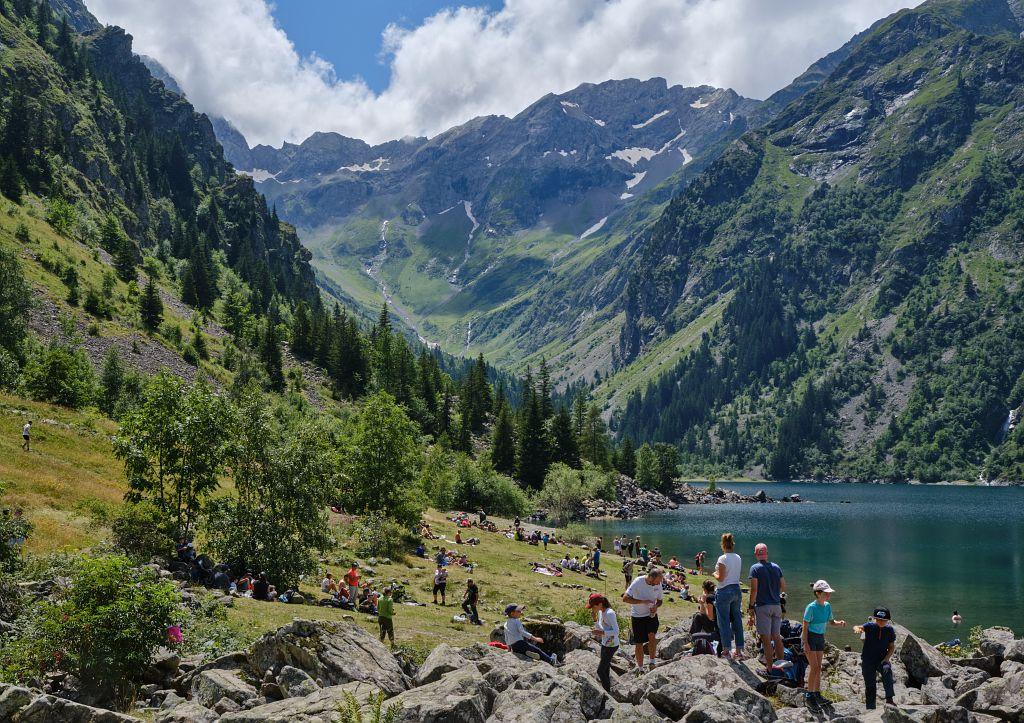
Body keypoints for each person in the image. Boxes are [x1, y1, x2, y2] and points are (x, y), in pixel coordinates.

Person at [802, 579, 846, 711]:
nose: (828, 595)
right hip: (810, 638)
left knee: (819, 667)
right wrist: (805, 643)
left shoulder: (827, 606)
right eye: (826, 593)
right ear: (818, 593)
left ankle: (817, 694)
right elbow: (805, 625)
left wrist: (839, 623)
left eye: (829, 592)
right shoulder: (811, 607)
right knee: (814, 667)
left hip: (820, 638)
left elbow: (831, 622)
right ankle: (809, 697)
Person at [747, 543, 786, 674]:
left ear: (756, 554)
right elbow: (783, 586)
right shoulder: (776, 567)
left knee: (766, 639)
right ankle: (781, 667)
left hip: (763, 607)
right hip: (776, 606)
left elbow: (754, 590)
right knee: (777, 637)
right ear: (767, 554)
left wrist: (751, 606)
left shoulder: (755, 568)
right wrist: (774, 593)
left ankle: (769, 669)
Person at [623, 566, 665, 671]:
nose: (659, 584)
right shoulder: (638, 581)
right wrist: (642, 601)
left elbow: (660, 600)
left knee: (652, 636)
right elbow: (625, 598)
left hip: (651, 615)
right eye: (657, 581)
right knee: (639, 643)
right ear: (651, 578)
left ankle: (652, 662)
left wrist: (656, 606)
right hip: (638, 616)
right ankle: (640, 668)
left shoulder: (658, 584)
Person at [854, 607, 896, 710]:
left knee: (887, 670)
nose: (881, 622)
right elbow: (858, 627)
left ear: (887, 620)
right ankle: (870, 708)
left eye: (883, 620)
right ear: (875, 619)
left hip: (882, 659)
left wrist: (886, 659)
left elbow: (891, 647)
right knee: (870, 685)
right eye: (878, 619)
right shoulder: (870, 626)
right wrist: (857, 629)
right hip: (868, 660)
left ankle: (889, 699)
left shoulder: (889, 630)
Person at [713, 533, 745, 660]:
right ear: (733, 544)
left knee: (724, 621)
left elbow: (721, 578)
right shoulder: (738, 557)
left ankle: (726, 650)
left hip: (724, 590)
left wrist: (714, 574)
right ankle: (739, 650)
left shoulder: (722, 558)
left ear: (722, 545)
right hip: (736, 589)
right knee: (737, 619)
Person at [587, 594, 620, 692]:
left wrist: (601, 633)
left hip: (612, 645)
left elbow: (616, 631)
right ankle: (608, 689)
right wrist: (594, 620)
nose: (592, 609)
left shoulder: (610, 613)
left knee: (600, 671)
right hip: (605, 643)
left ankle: (607, 693)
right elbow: (601, 628)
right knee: (605, 669)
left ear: (600, 604)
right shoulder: (601, 612)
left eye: (593, 606)